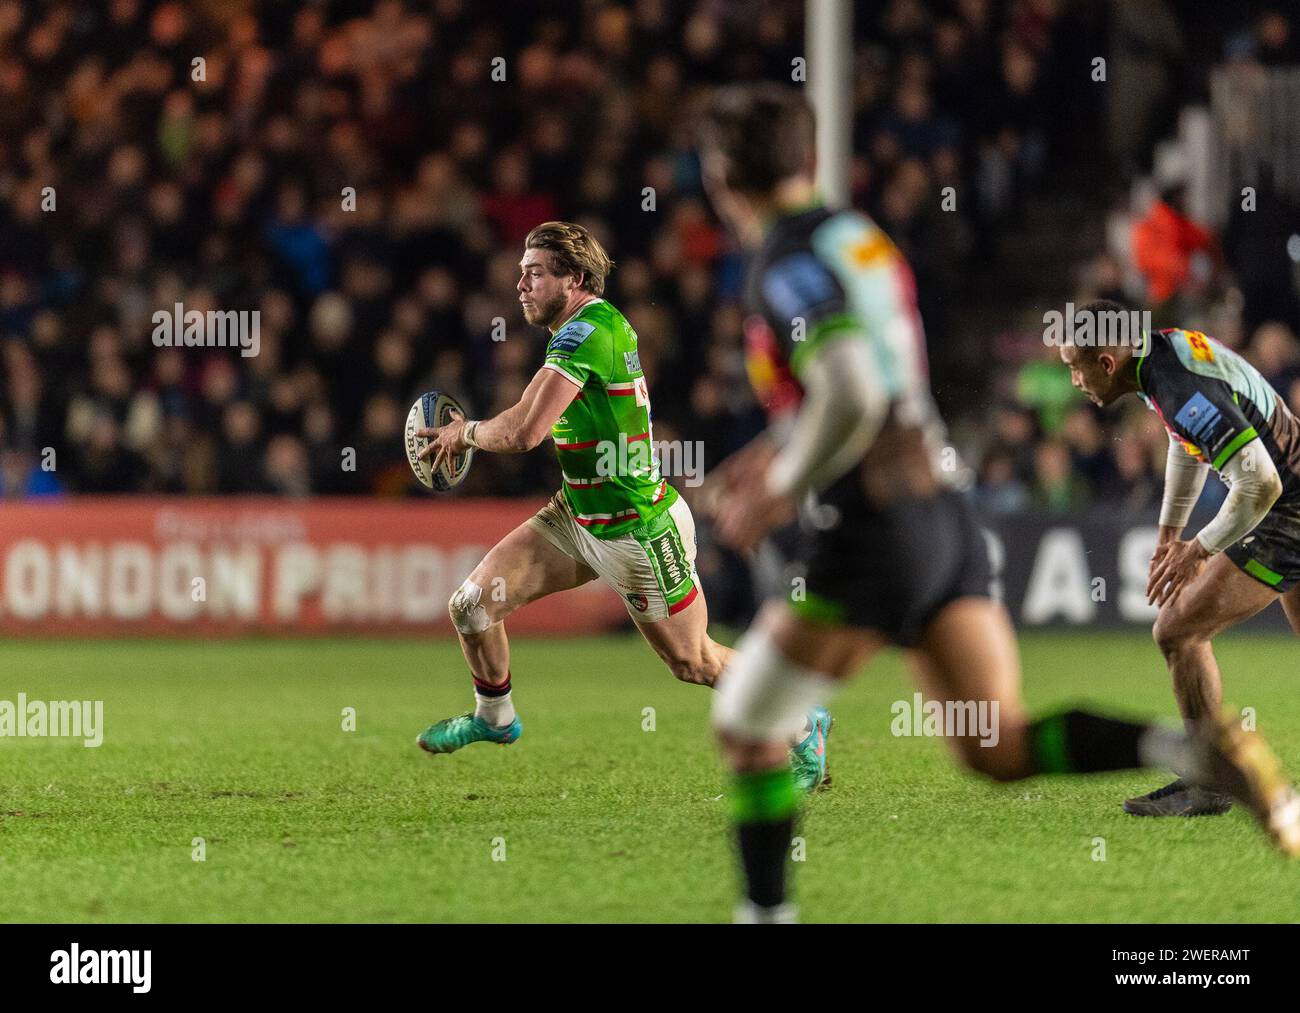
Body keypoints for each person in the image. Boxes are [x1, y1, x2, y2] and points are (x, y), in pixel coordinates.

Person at [696, 85, 1299, 923]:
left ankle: (766, 915)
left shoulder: (785, 261)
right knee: (995, 744)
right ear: (807, 159)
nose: (1077, 380)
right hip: (946, 521)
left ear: (723, 176)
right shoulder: (859, 240)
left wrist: (782, 482)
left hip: (876, 529)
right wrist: (773, 453)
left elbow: (851, 391)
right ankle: (1194, 747)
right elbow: (880, 389)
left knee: (748, 718)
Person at [414, 221, 832, 791]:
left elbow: (526, 431)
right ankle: (496, 717)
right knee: (471, 606)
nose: (521, 285)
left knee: (693, 663)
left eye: (535, 273)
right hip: (578, 515)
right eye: (521, 273)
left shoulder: (589, 331)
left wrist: (464, 435)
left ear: (576, 277)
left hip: (637, 528)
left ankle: (801, 719)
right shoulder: (579, 329)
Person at [1061, 299, 1300, 817]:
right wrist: (1170, 533)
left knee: (1177, 631)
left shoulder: (1175, 384)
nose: (1074, 381)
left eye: (1074, 368)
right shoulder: (1161, 354)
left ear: (1106, 363)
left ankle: (1211, 779)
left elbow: (1260, 484)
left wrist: (1197, 550)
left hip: (1288, 509)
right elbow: (1185, 440)